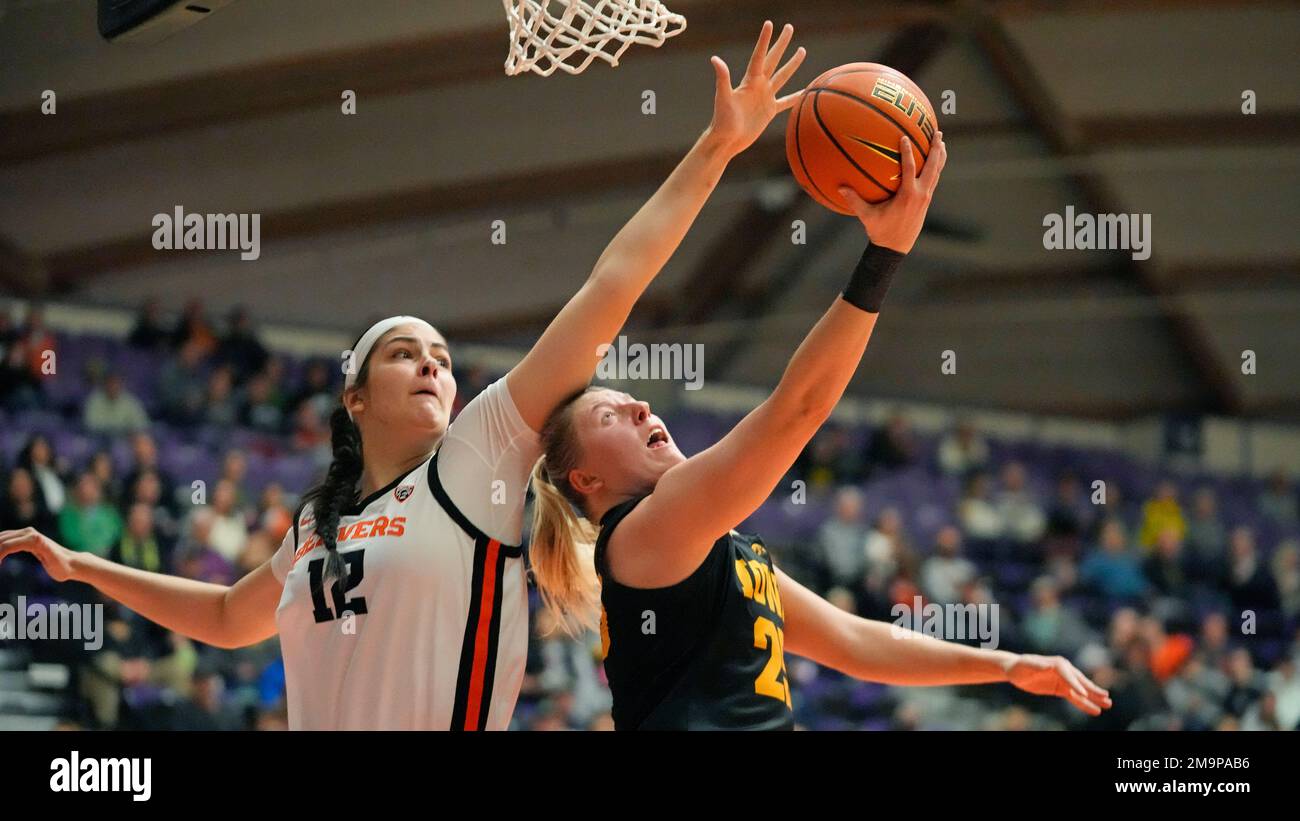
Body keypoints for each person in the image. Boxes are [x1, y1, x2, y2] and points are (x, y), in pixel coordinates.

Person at [1, 21, 804, 731]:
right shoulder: (318, 524)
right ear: (354, 398)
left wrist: (716, 147)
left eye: (444, 359)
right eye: (404, 352)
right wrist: (80, 566)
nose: (431, 363)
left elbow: (612, 286)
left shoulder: (479, 457)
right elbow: (220, 615)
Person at [528, 74, 1110, 728]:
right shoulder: (643, 535)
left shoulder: (709, 546)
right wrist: (885, 253)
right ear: (586, 477)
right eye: (611, 415)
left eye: (635, 400)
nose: (641, 409)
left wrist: (1005, 665)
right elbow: (797, 409)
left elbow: (856, 641)